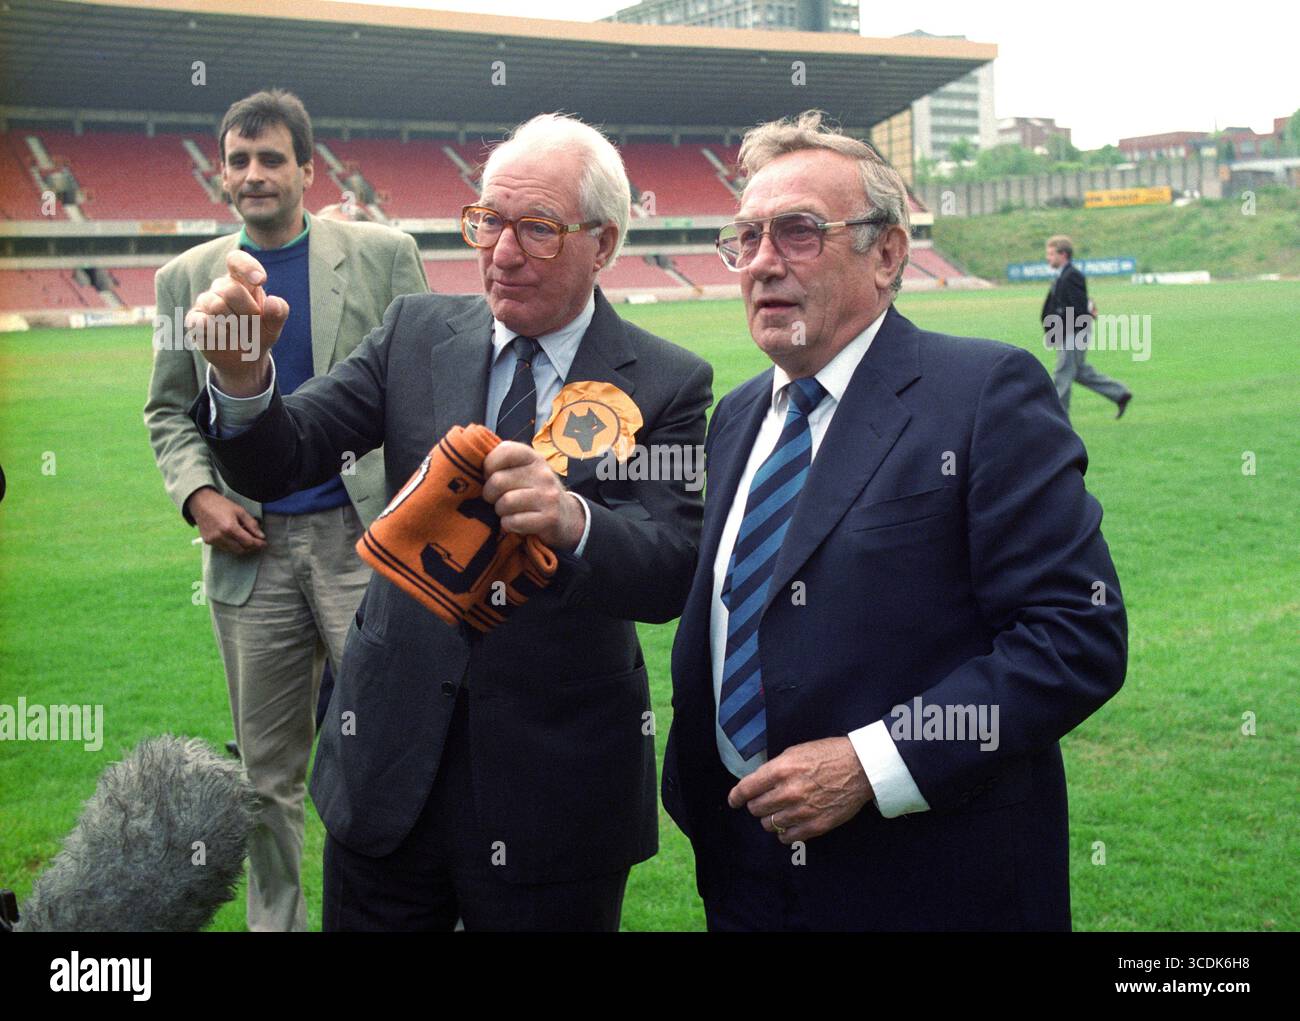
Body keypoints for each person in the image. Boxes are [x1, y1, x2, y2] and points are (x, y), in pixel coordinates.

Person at [180, 113, 712, 931]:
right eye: (487, 221)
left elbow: (673, 562)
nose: (501, 252)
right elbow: (287, 455)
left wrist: (572, 520)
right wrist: (244, 380)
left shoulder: (668, 381)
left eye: (536, 228)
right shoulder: (414, 332)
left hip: (555, 790)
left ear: (603, 244)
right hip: (388, 765)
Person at [662, 111, 1127, 931]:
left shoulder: (983, 394)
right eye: (747, 237)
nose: (762, 262)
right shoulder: (736, 417)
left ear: (888, 254)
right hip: (743, 869)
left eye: (799, 232)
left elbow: (1073, 636)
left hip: (925, 879)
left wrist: (870, 765)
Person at [143, 88, 428, 931]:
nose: (254, 173)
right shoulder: (184, 280)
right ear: (221, 172)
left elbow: (423, 393)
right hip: (249, 547)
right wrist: (198, 495)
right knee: (265, 774)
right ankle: (279, 924)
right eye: (239, 159)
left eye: (272, 158)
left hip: (367, 541)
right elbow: (166, 409)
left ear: (310, 168)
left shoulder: (384, 254)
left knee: (392, 745)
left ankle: (406, 909)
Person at [1043, 234, 1132, 419]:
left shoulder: (1072, 276)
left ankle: (1059, 421)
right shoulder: (1062, 276)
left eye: (1051, 254)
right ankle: (1120, 393)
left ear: (1063, 255)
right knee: (1078, 372)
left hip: (1074, 331)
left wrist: (1060, 325)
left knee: (1062, 375)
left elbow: (1077, 308)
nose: (1048, 258)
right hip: (1068, 330)